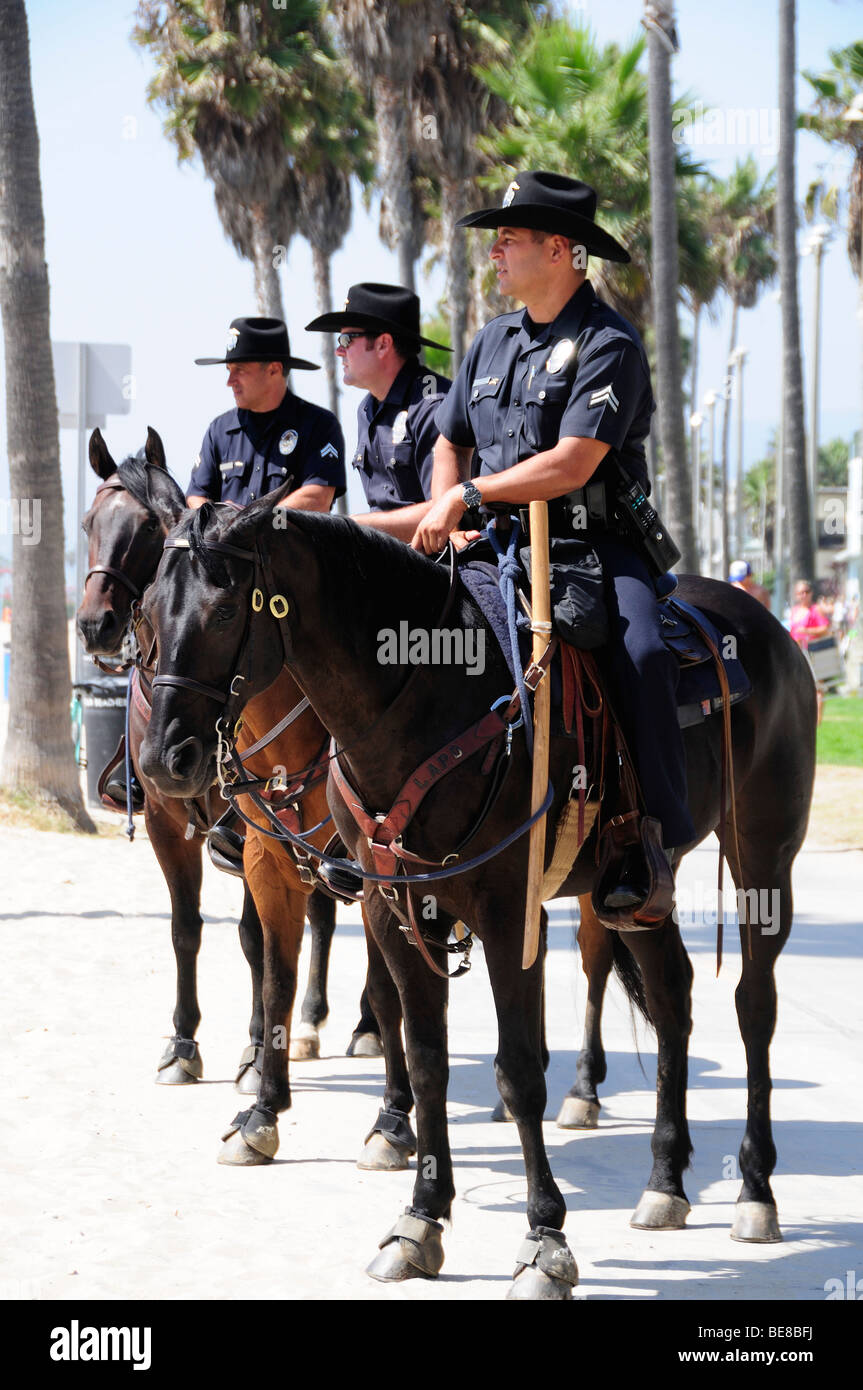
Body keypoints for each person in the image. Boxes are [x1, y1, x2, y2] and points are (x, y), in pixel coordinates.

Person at [412, 169, 696, 911]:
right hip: (493, 545)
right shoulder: (489, 341)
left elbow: (573, 462)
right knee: (405, 642)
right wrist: (452, 496)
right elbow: (452, 436)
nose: (495, 252)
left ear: (563, 251)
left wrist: (469, 492)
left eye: (511, 239)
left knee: (640, 654)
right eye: (495, 239)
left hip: (593, 548)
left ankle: (647, 839)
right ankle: (415, 834)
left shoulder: (610, 343)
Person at [305, 283, 451, 541]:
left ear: (383, 344)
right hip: (384, 560)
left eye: (347, 339)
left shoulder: (434, 406)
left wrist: (352, 527)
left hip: (436, 567)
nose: (339, 350)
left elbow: (443, 512)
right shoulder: (366, 409)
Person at [188, 315, 345, 512]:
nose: (230, 381)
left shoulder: (318, 425)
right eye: (229, 370)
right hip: (223, 542)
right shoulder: (219, 431)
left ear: (274, 370)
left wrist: (251, 522)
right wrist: (215, 522)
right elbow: (196, 496)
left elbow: (318, 497)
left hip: (287, 542)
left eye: (240, 370)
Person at [789, 579, 830, 725]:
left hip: (814, 651)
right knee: (798, 684)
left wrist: (807, 631)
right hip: (798, 652)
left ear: (811, 593)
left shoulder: (815, 610)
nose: (803, 595)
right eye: (800, 592)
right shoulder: (794, 611)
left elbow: (825, 628)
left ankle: (818, 720)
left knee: (818, 686)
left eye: (806, 592)